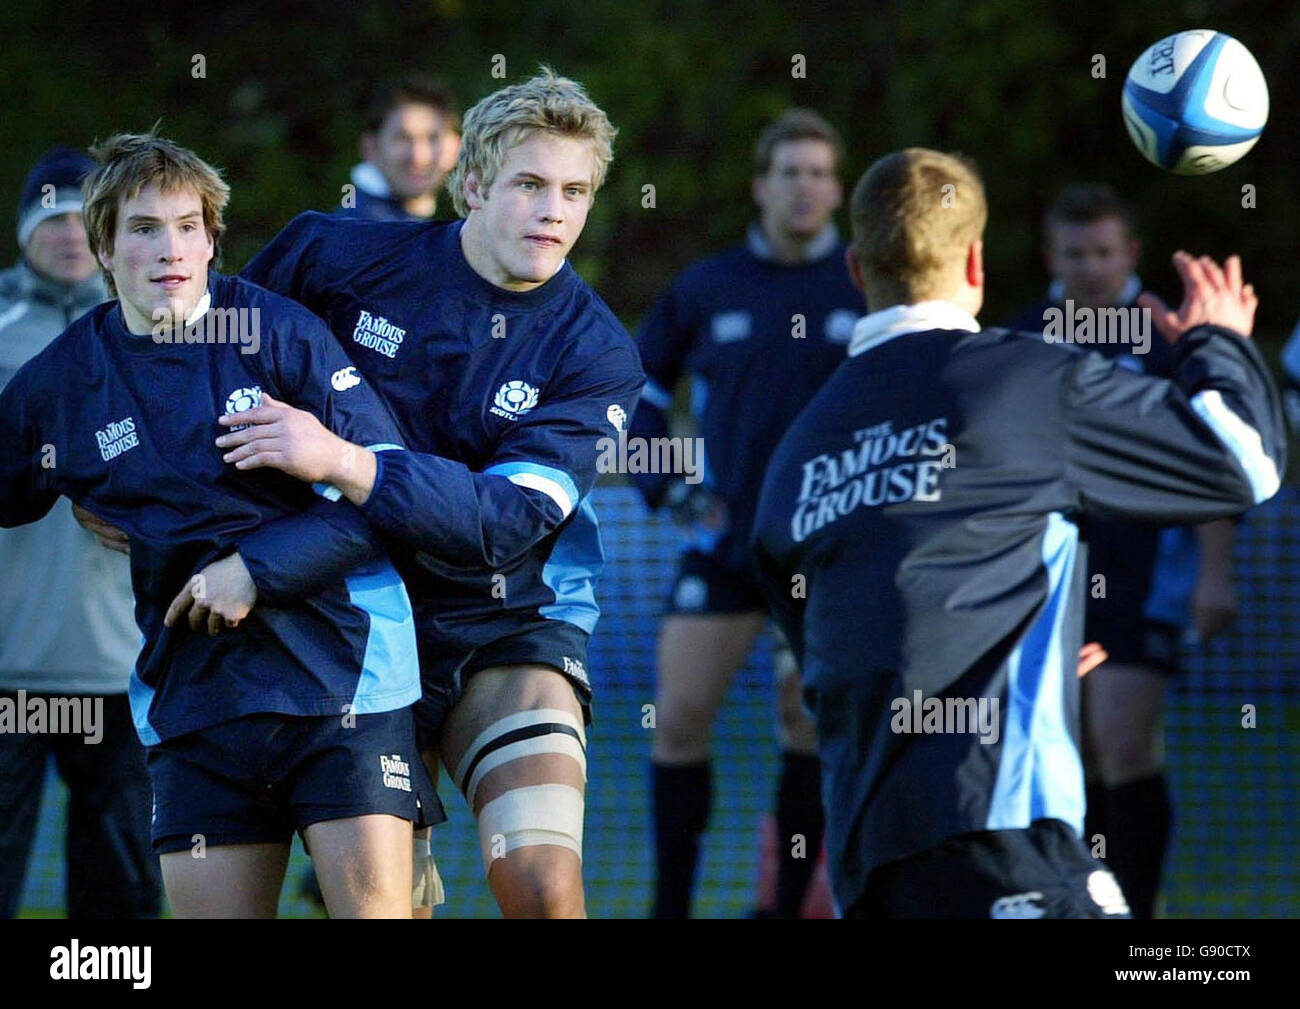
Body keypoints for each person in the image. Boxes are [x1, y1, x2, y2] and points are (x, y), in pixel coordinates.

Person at [750, 147, 1284, 918]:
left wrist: (1013, 656)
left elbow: (837, 662)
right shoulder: (1025, 380)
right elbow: (1245, 462)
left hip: (873, 874)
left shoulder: (796, 454)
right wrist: (1217, 341)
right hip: (1008, 846)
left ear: (858, 271)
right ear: (974, 262)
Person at [231, 68, 644, 918]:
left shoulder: (596, 351)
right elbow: (214, 371)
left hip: (505, 623)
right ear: (473, 185)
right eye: (530, 183)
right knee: (387, 907)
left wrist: (343, 460)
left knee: (540, 883)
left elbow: (501, 522)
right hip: (346, 618)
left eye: (575, 190)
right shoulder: (331, 254)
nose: (554, 210)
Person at [0, 132, 442, 918]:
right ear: (104, 246)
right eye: (144, 228)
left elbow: (392, 495)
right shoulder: (65, 378)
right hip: (195, 698)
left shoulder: (279, 332)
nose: (170, 248)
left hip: (342, 685)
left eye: (188, 226)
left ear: (211, 239)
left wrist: (255, 569)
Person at [627, 109, 859, 918]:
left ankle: (788, 905)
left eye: (819, 173)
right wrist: (671, 490)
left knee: (805, 723)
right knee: (679, 715)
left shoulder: (866, 285)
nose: (804, 188)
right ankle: (669, 909)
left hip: (826, 557)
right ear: (761, 185)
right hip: (727, 550)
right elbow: (637, 399)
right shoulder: (707, 286)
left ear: (838, 189)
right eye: (788, 172)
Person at [1005, 183, 1238, 918]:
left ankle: (1141, 915)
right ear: (1051, 256)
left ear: (1131, 252)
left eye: (1105, 251)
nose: (1092, 267)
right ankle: (1085, 904)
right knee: (1066, 752)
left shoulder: (1167, 335)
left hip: (1145, 577)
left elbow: (1218, 459)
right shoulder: (1023, 336)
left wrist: (1214, 571)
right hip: (1047, 581)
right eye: (1075, 253)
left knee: (1123, 742)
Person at [0, 146, 161, 918]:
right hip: (7, 670)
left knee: (123, 895)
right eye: (51, 213)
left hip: (125, 668)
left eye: (82, 216)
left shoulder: (167, 330)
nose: (66, 232)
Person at [340, 73, 460, 221]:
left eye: (433, 139)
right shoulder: (362, 231)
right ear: (370, 148)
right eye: (402, 139)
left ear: (454, 148)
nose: (419, 157)